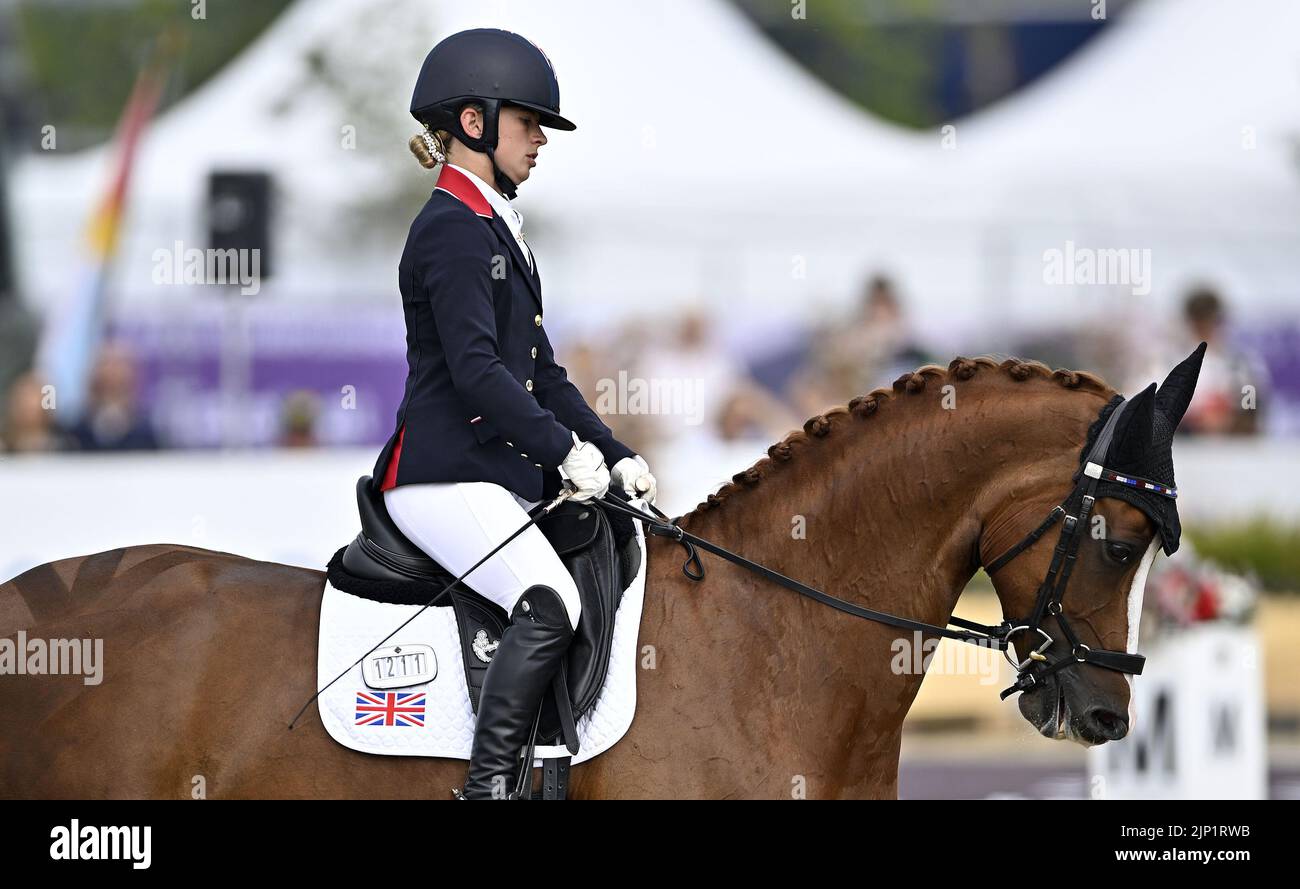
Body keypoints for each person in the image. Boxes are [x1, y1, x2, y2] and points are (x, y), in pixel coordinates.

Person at [371, 29, 658, 799]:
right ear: (474, 121)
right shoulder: (452, 230)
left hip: (490, 472)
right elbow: (476, 375)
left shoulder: (497, 228)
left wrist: (611, 448)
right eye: (527, 122)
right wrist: (562, 451)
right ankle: (489, 786)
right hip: (440, 473)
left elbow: (544, 374)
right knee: (548, 600)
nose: (539, 140)